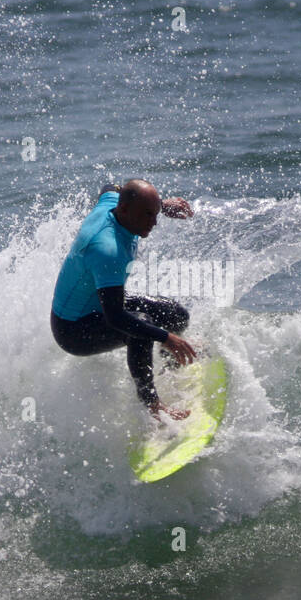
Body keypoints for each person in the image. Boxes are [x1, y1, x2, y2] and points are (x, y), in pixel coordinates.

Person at [51, 179, 198, 420]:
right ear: (125, 210)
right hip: (72, 329)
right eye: (147, 214)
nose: (154, 222)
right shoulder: (107, 249)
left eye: (156, 213)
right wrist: (165, 336)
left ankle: (170, 365)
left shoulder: (113, 204)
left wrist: (160, 204)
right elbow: (117, 317)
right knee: (140, 326)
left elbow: (110, 186)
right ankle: (153, 408)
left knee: (176, 315)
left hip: (96, 302)